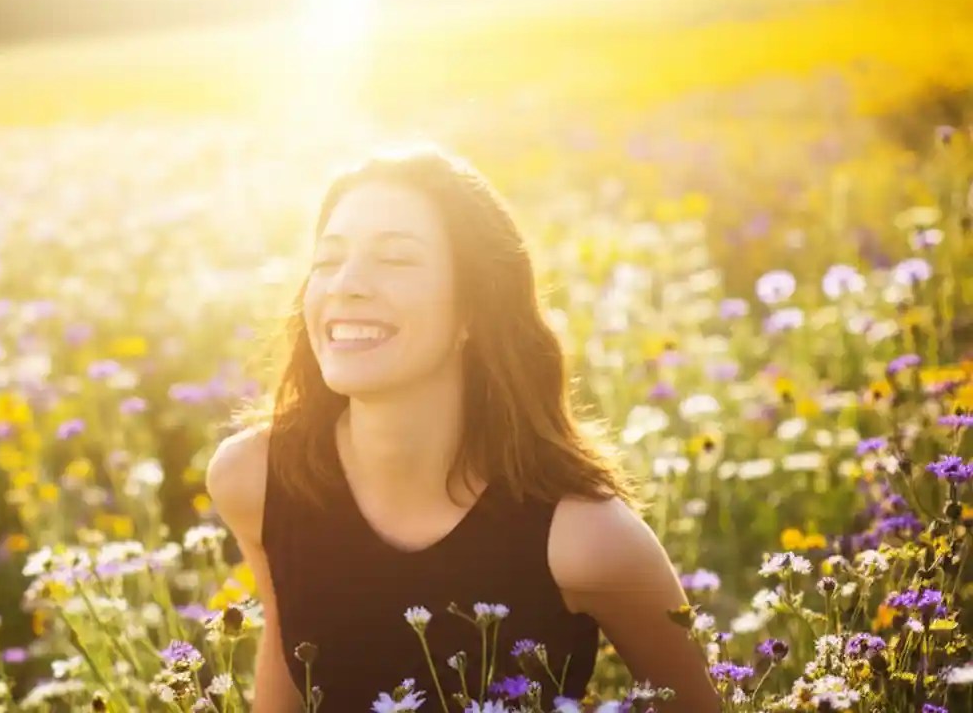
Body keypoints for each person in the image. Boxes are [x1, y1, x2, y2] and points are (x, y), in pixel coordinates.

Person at [206, 143, 720, 712]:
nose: (345, 284)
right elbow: (286, 672)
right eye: (328, 260)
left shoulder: (589, 541)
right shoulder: (254, 480)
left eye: (396, 259)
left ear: (474, 309)